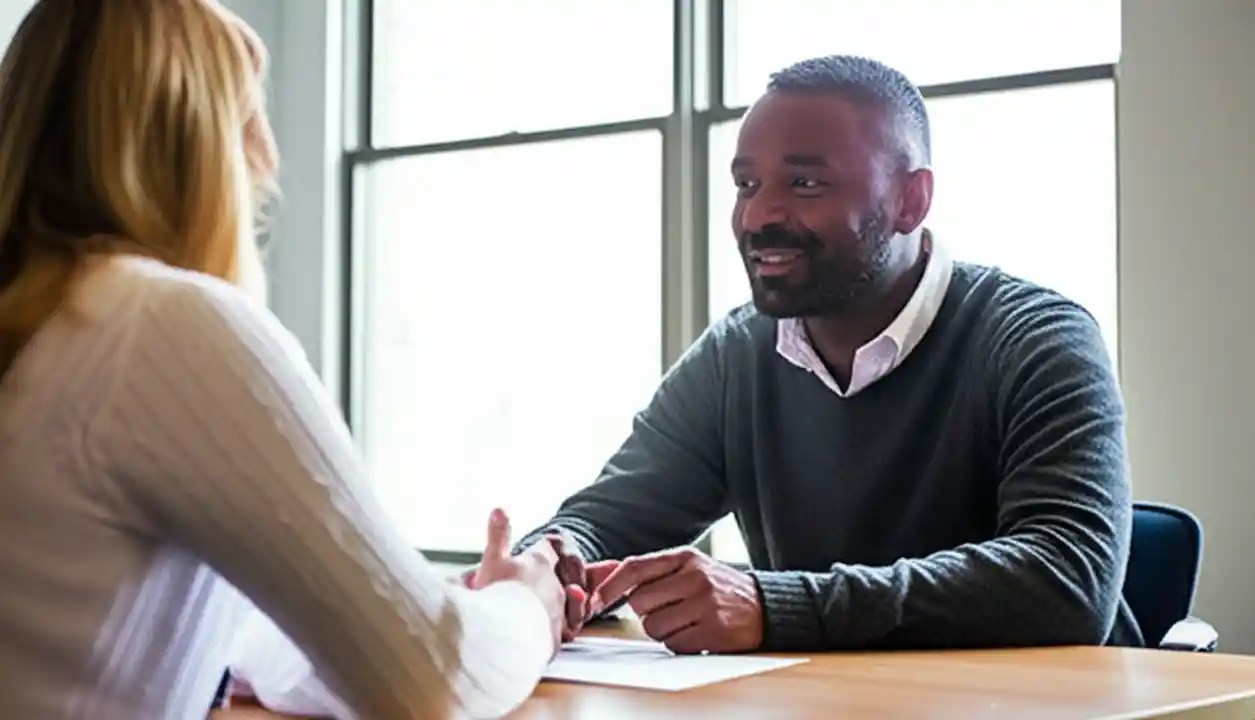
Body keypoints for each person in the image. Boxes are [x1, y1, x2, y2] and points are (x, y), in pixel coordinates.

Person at [0, 2, 568, 719]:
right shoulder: (157, 325)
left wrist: (399, 604)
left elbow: (261, 651)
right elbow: (439, 680)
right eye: (248, 115)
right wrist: (528, 602)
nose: (267, 155)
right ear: (202, 144)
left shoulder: (43, 332)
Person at [517, 54, 1142, 654]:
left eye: (805, 183)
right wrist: (547, 566)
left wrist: (773, 607)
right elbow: (607, 525)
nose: (759, 215)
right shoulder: (737, 356)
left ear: (911, 201)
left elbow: (1068, 580)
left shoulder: (1035, 339)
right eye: (746, 184)